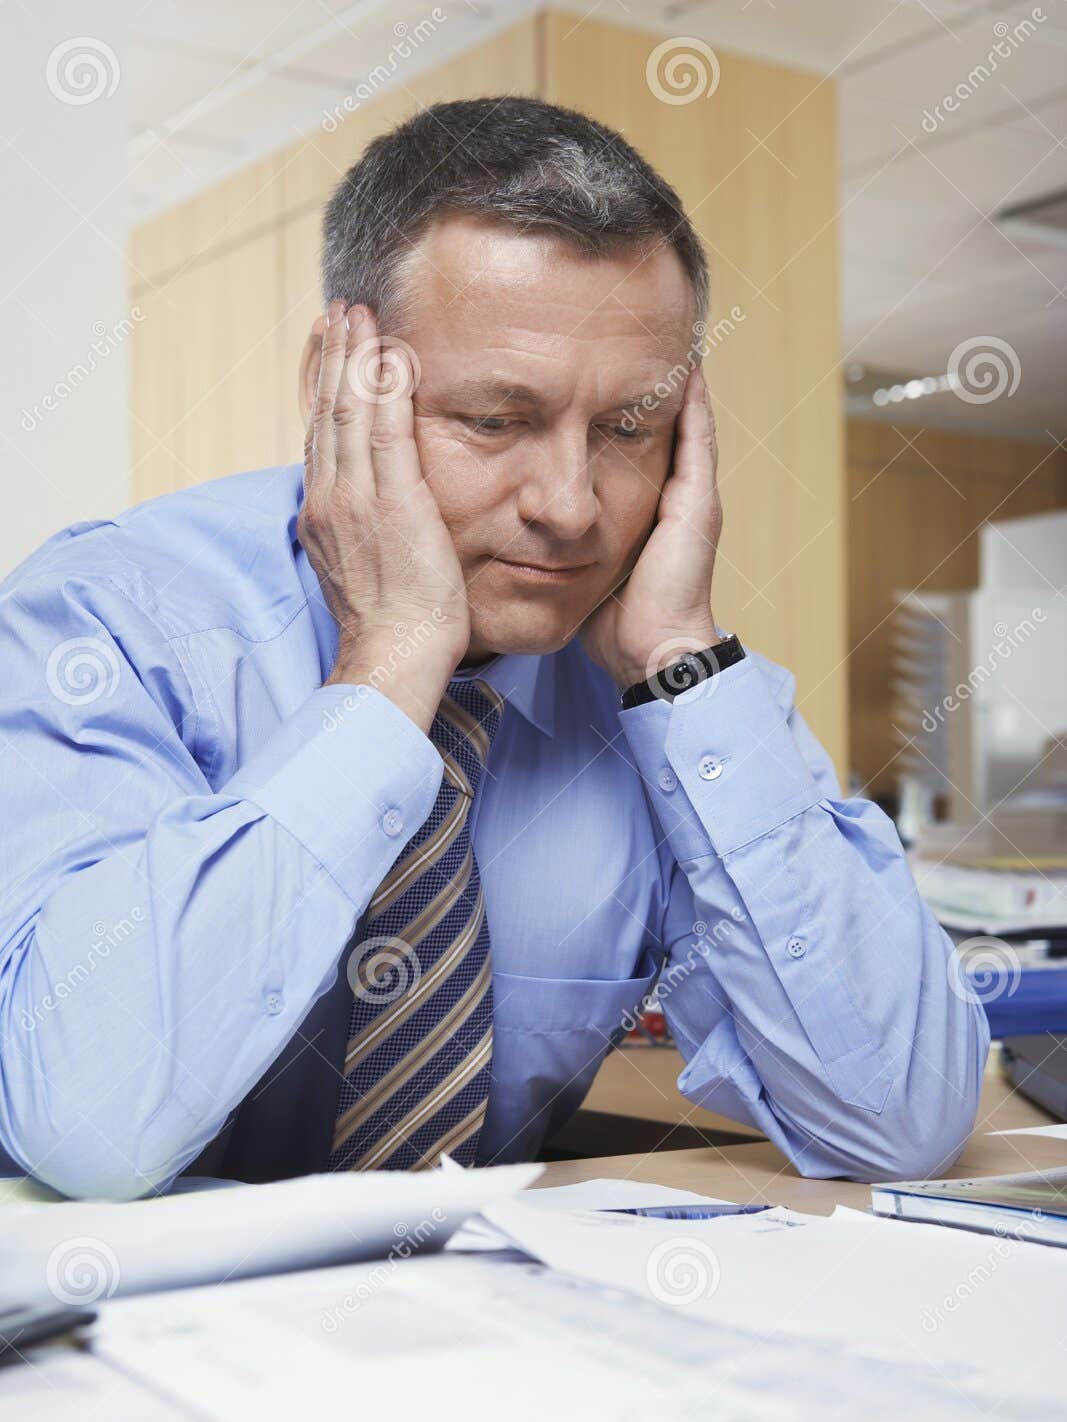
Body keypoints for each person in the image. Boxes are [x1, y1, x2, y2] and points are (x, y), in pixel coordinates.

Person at [0, 96, 987, 1200]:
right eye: (494, 421)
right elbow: (82, 1128)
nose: (569, 508)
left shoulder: (673, 695)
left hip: (481, 1341)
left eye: (627, 429)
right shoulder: (110, 620)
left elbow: (898, 1123)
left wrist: (675, 657)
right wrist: (388, 665)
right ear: (339, 387)